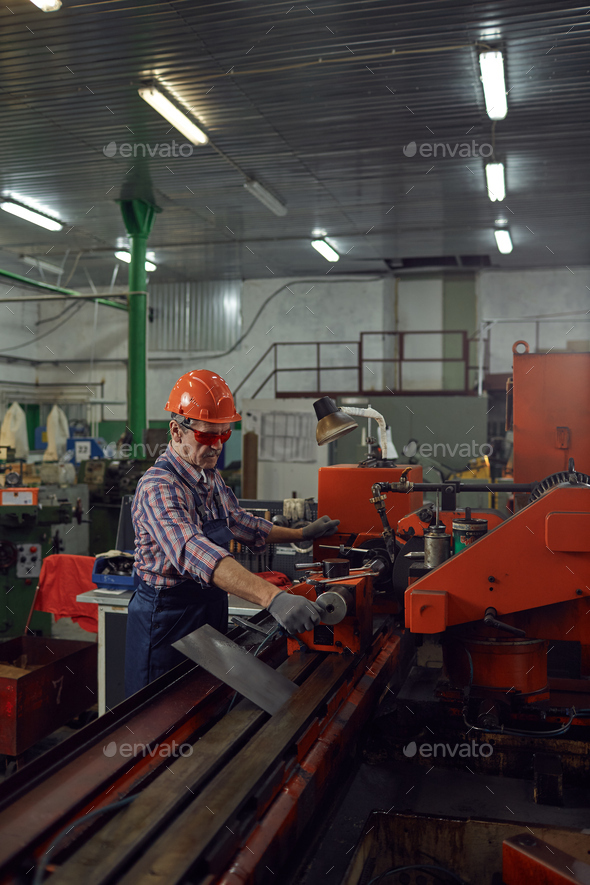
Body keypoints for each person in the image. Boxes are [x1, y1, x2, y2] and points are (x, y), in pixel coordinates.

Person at [124, 369, 340, 696]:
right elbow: (194, 550)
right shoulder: (159, 487)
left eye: (224, 436)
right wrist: (273, 598)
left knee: (205, 707)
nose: (217, 446)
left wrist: (301, 534)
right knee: (158, 721)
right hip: (166, 622)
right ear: (176, 430)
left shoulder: (209, 477)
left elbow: (239, 523)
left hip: (206, 613)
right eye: (208, 436)